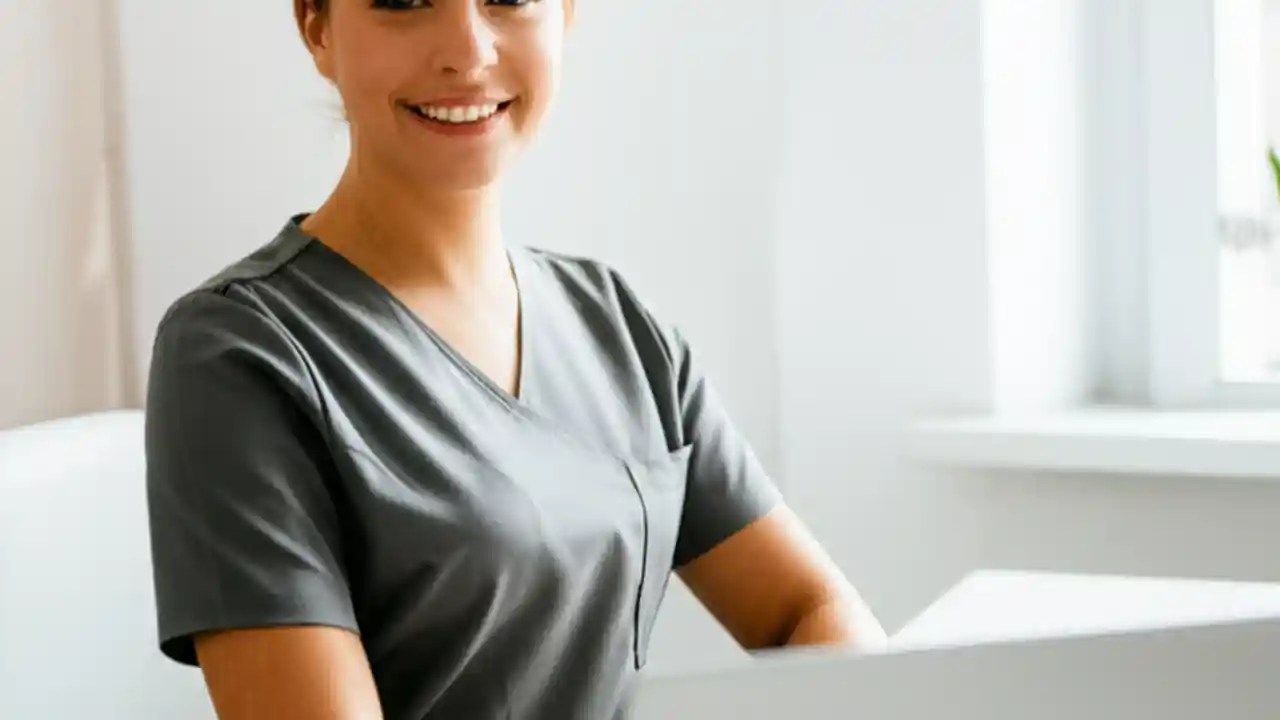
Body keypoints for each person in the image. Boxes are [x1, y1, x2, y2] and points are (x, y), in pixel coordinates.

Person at [143, 0, 887, 717]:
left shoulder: (619, 328)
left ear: (564, 13)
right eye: (404, 0)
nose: (467, 50)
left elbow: (808, 611)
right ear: (317, 25)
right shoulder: (239, 356)